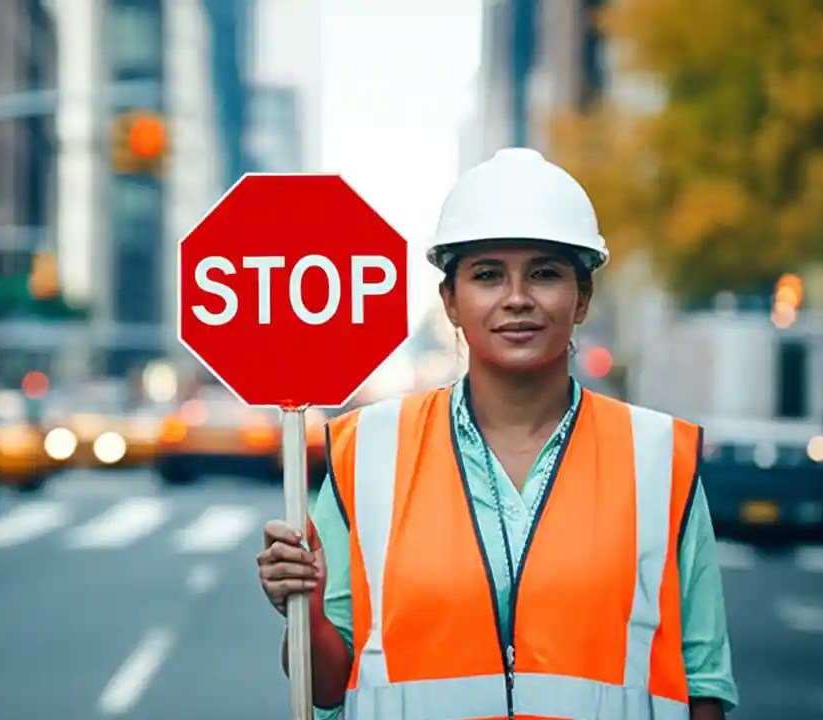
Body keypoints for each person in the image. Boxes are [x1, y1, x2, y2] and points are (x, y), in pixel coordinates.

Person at [257, 148, 738, 720]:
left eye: (545, 273)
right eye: (488, 275)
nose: (517, 298)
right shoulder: (367, 452)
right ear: (451, 302)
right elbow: (327, 686)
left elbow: (703, 686)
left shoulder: (660, 459)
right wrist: (304, 611)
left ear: (582, 298)